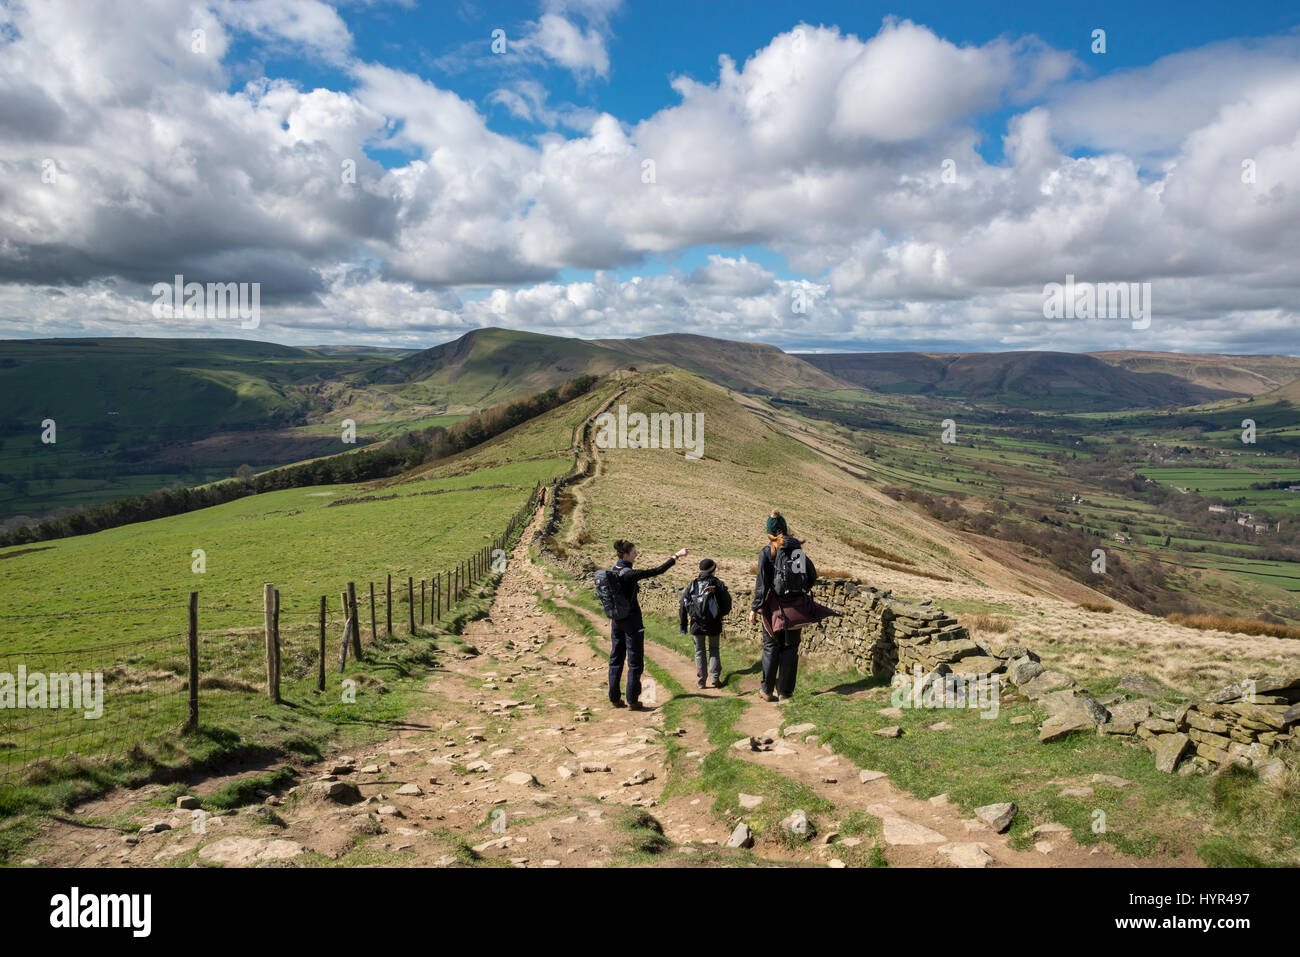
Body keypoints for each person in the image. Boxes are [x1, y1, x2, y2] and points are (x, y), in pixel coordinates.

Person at [605, 539, 688, 709]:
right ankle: (632, 700)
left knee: (616, 659)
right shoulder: (629, 573)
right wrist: (676, 556)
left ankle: (614, 698)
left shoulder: (613, 571)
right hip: (632, 622)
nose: (637, 555)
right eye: (634, 552)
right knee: (635, 661)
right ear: (626, 555)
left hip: (616, 621)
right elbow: (657, 571)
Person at [749, 510, 817, 702]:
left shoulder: (767, 552)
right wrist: (800, 592)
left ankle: (767, 691)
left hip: (773, 609)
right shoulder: (797, 551)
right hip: (796, 609)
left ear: (769, 533)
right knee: (791, 648)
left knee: (771, 647)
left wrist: (755, 608)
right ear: (786, 530)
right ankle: (785, 693)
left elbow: (761, 584)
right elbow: (812, 576)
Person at [679, 559, 733, 689]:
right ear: (712, 570)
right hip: (714, 623)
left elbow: (683, 605)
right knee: (714, 649)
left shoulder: (692, 584)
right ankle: (715, 679)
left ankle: (701, 681)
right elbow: (727, 604)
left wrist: (683, 624)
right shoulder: (718, 584)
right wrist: (719, 614)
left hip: (696, 623)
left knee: (699, 651)